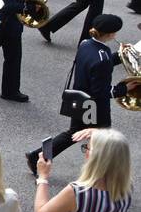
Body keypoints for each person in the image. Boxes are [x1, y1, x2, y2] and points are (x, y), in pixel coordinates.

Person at [27, 14, 127, 168]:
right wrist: (124, 89)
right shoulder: (102, 58)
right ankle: (100, 172)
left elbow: (98, 64)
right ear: (111, 34)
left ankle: (37, 156)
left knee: (73, 134)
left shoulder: (86, 44)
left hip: (79, 97)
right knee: (103, 137)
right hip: (95, 107)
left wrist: (120, 56)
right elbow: (101, 91)